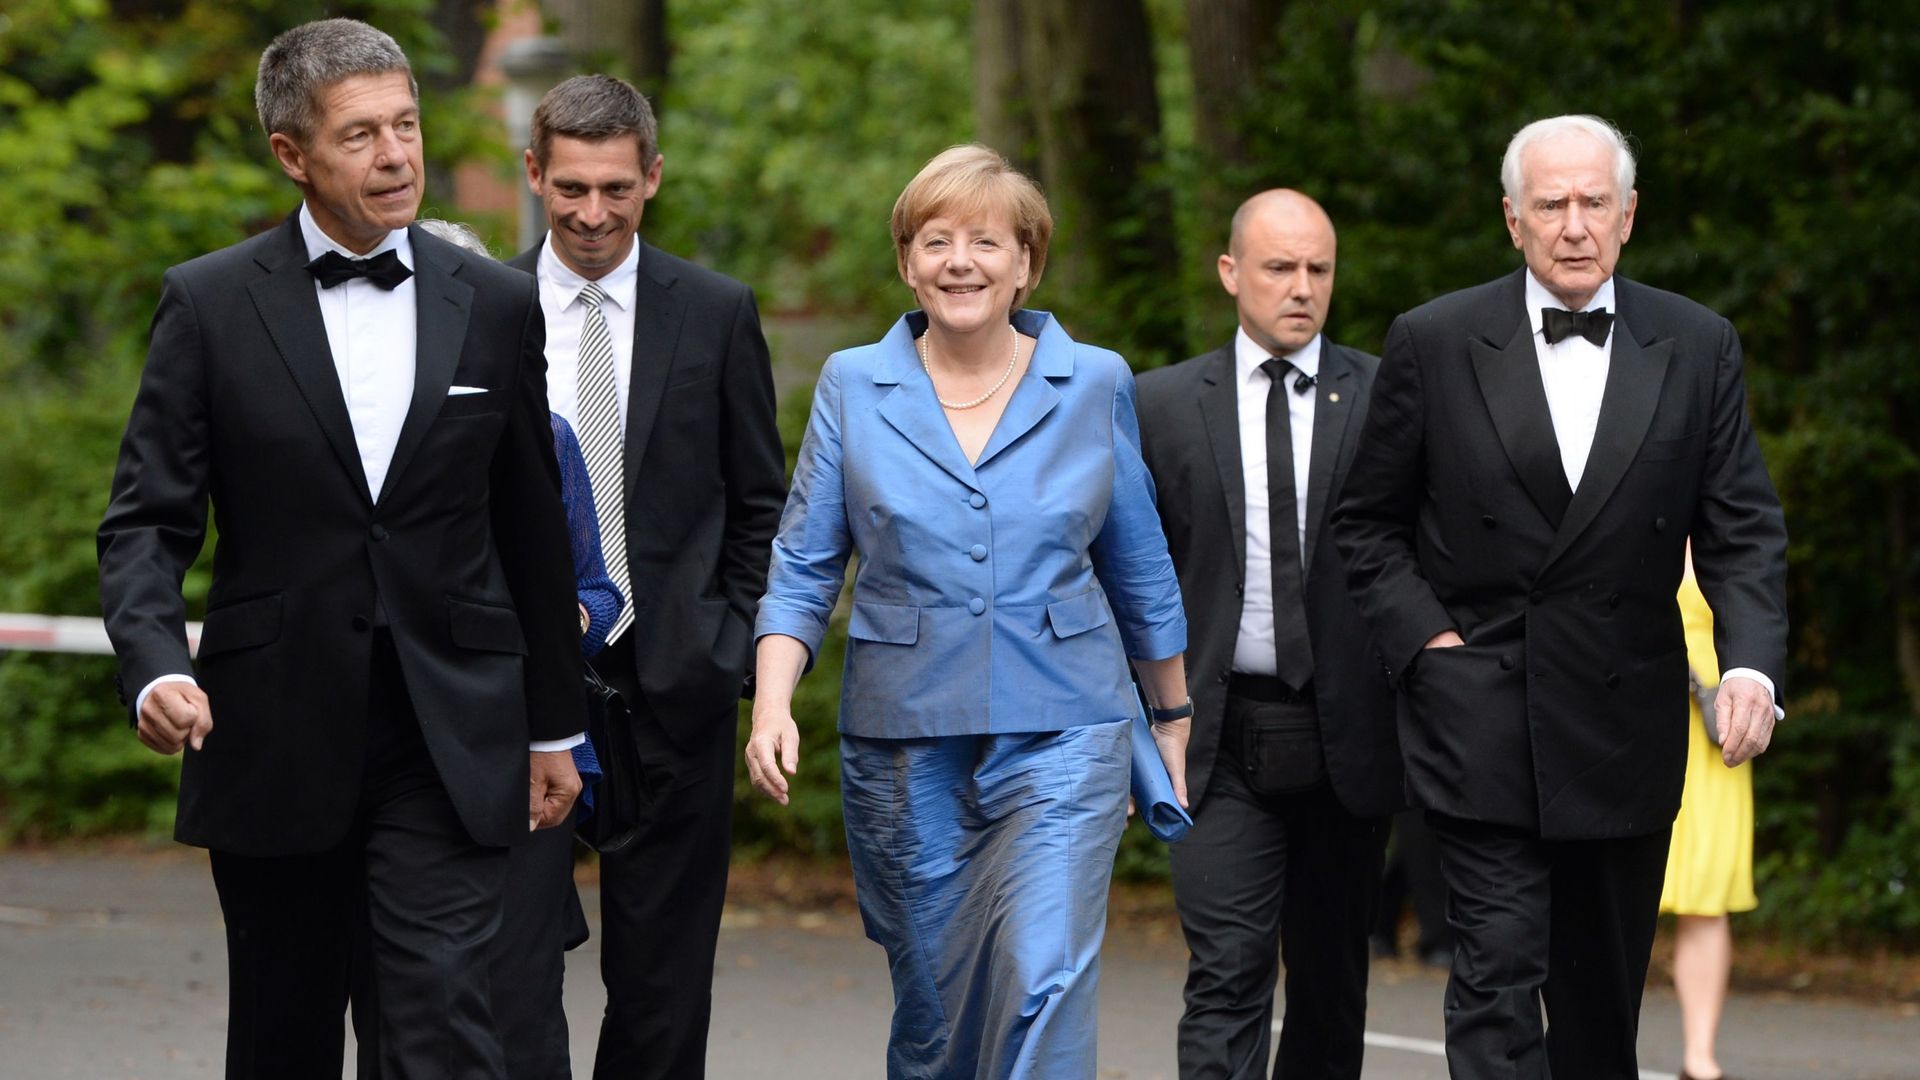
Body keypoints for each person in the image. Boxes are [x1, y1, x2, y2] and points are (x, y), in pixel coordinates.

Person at [95, 19, 584, 1079]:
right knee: (285, 1037)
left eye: (405, 125)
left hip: (448, 729)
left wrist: (555, 725)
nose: (396, 155)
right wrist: (156, 667)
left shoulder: (497, 302)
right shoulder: (209, 303)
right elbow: (146, 520)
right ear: (292, 154)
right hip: (272, 727)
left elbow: (531, 524)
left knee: (440, 1023)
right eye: (360, 135)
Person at [1332, 113, 1789, 1080]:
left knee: (1598, 1017)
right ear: (1513, 220)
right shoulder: (1435, 339)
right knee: (1494, 990)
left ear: (1629, 215)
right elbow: (1366, 524)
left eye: (1593, 203)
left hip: (1624, 728)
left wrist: (1749, 664)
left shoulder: (1697, 343)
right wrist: (1428, 647)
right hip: (1480, 712)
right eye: (1551, 205)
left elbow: (1742, 526)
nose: (1574, 225)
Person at [746, 144, 1192, 1079]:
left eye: (987, 242)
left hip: (1068, 724)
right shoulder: (853, 384)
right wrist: (773, 702)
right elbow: (805, 562)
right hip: (905, 735)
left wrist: (1172, 715)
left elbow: (1139, 562)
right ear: (907, 262)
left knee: (1044, 975)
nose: (961, 262)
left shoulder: (1096, 381)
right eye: (936, 240)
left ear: (1026, 263)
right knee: (935, 1013)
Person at [502, 73, 787, 1080]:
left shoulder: (715, 312)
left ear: (653, 178)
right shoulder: (479, 307)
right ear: (534, 174)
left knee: (663, 987)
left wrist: (726, 648)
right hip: (516, 692)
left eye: (616, 188)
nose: (592, 213)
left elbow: (760, 500)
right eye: (571, 188)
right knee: (507, 973)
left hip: (675, 686)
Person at [1136, 189, 1402, 1080]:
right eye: (1280, 267)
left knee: (1332, 985)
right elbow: (1125, 572)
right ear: (1230, 272)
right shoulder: (1162, 404)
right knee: (1227, 973)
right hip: (1212, 733)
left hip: (1348, 732)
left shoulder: (1387, 397)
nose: (1301, 287)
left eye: (1318, 269)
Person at [1661, 544, 1757, 1080]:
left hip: (1712, 723)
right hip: (1629, 716)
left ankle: (1700, 1056)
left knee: (1707, 898)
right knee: (1599, 886)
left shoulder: (1734, 524)